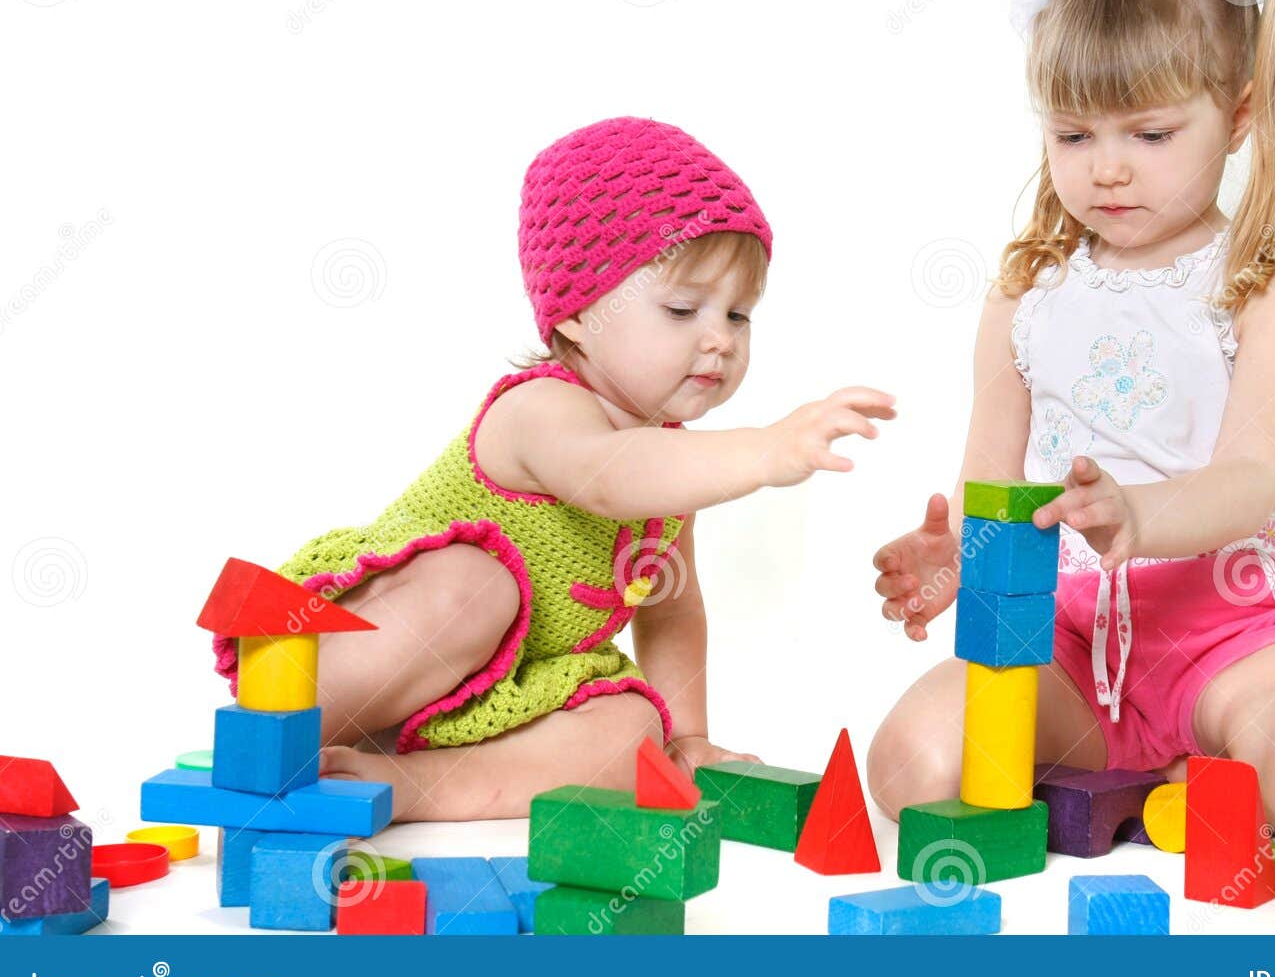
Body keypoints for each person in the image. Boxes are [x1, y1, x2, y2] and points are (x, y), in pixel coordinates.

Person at [868, 0, 1275, 851]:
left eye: (1149, 135)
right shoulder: (1023, 297)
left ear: (1236, 117)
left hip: (1229, 633)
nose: (1108, 170)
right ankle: (1150, 775)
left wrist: (1141, 517)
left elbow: (1249, 478)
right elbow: (993, 482)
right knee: (909, 769)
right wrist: (958, 561)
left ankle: (1206, 755)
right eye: (1073, 136)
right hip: (1065, 645)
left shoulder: (1266, 291)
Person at [211, 116, 895, 822]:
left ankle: (408, 785)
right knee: (478, 585)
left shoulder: (670, 464)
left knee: (634, 730)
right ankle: (277, 732)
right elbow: (610, 473)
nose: (719, 338)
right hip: (383, 648)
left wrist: (689, 734)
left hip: (502, 692)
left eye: (740, 314)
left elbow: (669, 608)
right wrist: (767, 448)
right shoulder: (542, 410)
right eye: (683, 308)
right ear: (575, 316)